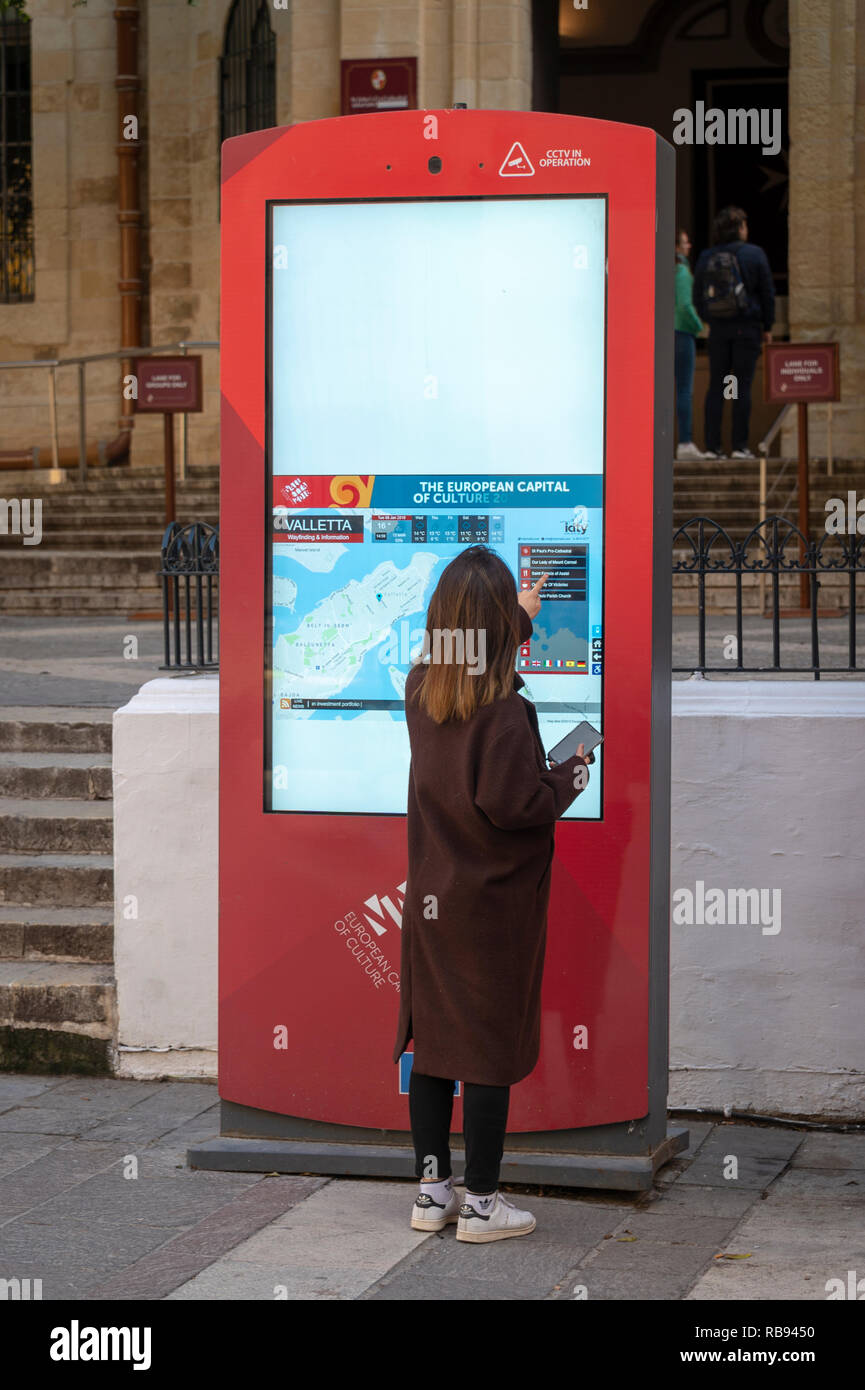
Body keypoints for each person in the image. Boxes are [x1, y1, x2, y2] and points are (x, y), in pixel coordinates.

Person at [392, 546, 590, 1243]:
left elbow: (475, 656)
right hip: (490, 909)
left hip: (430, 900)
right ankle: (481, 1204)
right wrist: (568, 775)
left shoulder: (421, 688)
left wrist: (520, 618)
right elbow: (513, 804)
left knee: (435, 1046)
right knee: (485, 1055)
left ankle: (430, 1193)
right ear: (497, 627)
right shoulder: (504, 714)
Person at [692, 205, 775, 460]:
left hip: (718, 332)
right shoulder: (754, 254)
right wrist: (768, 327)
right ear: (740, 228)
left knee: (718, 386)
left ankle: (712, 447)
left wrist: (712, 319)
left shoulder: (706, 257)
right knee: (740, 386)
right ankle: (739, 446)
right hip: (746, 330)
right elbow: (767, 293)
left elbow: (698, 297)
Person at [674, 229, 707, 459]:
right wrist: (699, 326)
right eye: (685, 243)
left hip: (663, 335)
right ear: (677, 246)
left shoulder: (660, 270)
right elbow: (685, 306)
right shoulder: (683, 272)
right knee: (684, 390)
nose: (689, 246)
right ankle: (685, 441)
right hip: (682, 333)